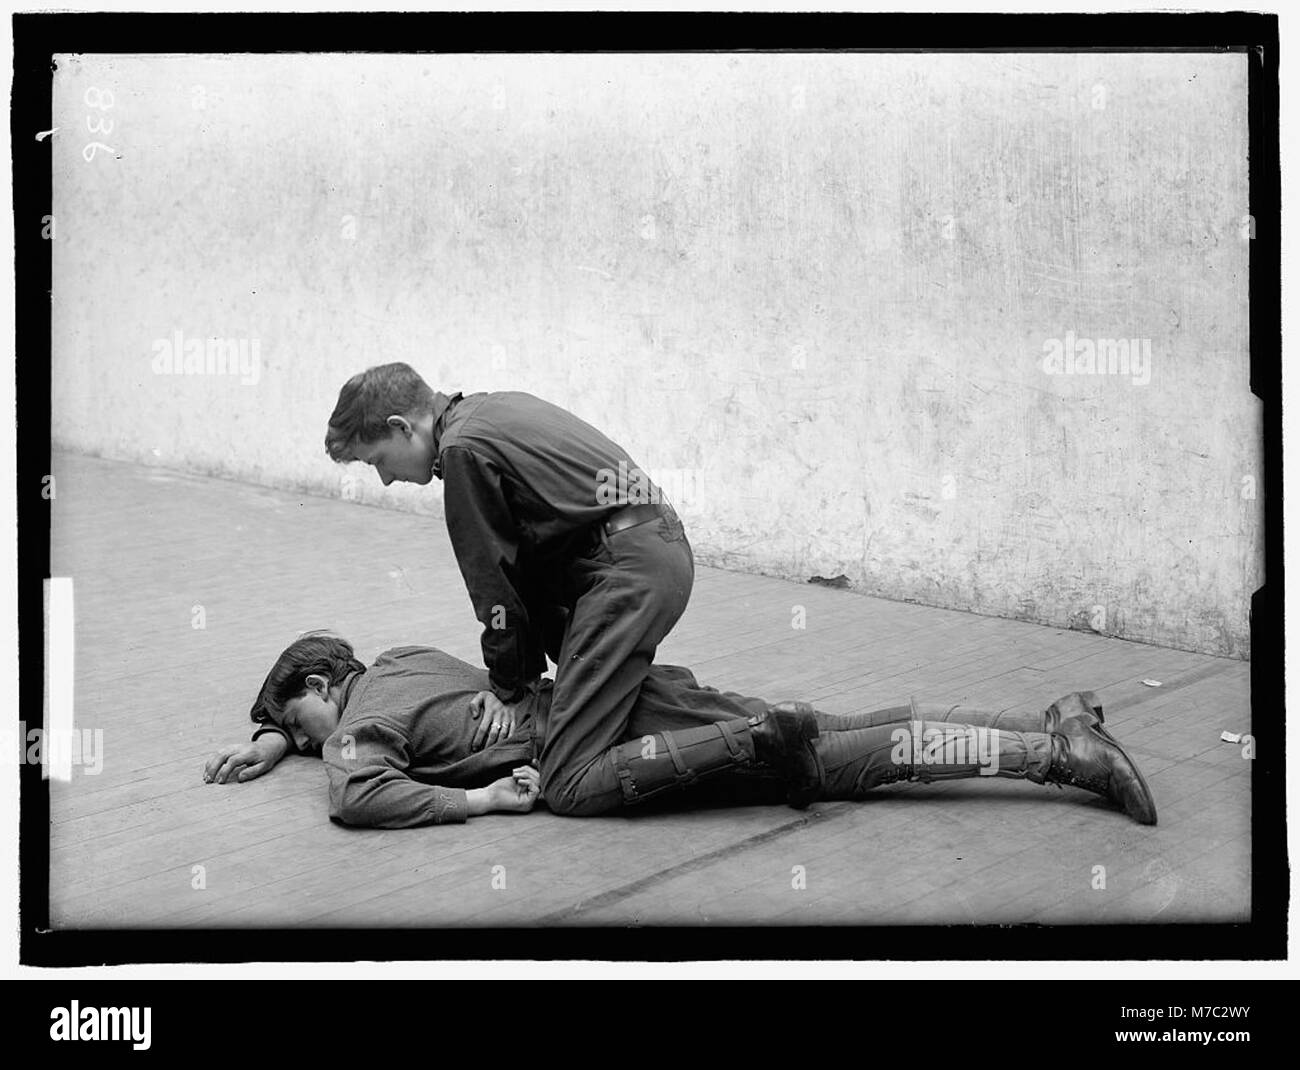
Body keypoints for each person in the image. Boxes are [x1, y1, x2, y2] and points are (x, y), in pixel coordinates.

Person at [233, 362, 823, 809]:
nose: (385, 479)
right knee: (623, 701)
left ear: (401, 426)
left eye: (377, 460)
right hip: (645, 550)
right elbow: (522, 571)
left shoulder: (462, 451)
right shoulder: (486, 412)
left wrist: (509, 688)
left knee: (568, 780)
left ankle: (758, 738)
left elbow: (493, 590)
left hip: (625, 569)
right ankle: (790, 727)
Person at [203, 634, 1158, 828]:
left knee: (838, 765)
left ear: (327, 686)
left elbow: (358, 793)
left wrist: (479, 797)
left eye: (301, 719)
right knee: (834, 735)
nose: (312, 740)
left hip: (605, 749)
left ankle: (1053, 758)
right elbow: (331, 732)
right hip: (633, 694)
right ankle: (1048, 723)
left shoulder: (358, 724)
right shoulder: (403, 662)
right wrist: (275, 738)